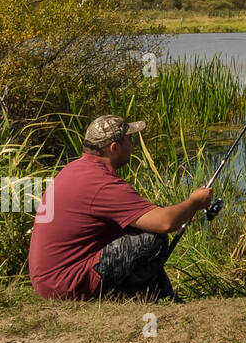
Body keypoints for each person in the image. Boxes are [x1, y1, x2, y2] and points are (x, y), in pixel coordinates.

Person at [28, 115, 213, 302]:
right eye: (129, 139)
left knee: (143, 228)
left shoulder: (73, 169)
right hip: (65, 285)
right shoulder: (102, 184)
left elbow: (146, 216)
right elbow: (165, 223)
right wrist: (194, 202)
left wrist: (183, 212)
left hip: (47, 281)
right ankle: (137, 297)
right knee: (153, 239)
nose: (133, 145)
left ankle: (164, 296)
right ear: (114, 147)